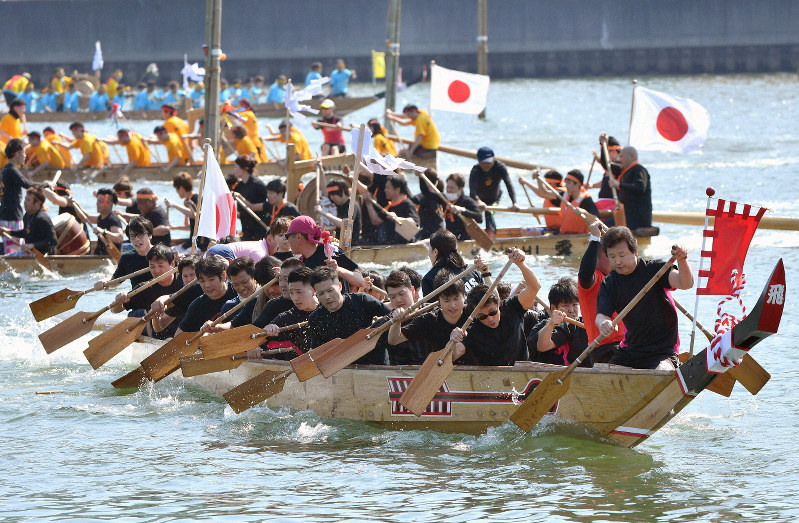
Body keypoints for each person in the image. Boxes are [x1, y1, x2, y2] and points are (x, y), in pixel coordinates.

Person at [596, 226, 693, 370]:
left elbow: (685, 283)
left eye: (622, 256)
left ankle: (677, 367)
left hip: (663, 350)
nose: (618, 262)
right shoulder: (609, 283)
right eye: (612, 257)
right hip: (631, 350)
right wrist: (603, 324)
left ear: (635, 252)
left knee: (661, 373)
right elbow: (601, 316)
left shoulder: (654, 269)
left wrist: (682, 260)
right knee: (603, 375)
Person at [450, 248, 541, 366]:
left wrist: (521, 264)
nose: (490, 319)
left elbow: (534, 286)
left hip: (522, 373)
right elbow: (453, 356)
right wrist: (452, 342)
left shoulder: (511, 307)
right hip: (492, 379)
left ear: (498, 303)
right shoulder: (472, 330)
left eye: (492, 312)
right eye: (482, 316)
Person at [308, 266, 390, 364]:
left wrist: (376, 327)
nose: (327, 297)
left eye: (330, 290)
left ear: (340, 286)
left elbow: (393, 314)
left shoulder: (362, 300)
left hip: (375, 365)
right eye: (321, 293)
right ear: (316, 294)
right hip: (344, 368)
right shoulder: (315, 318)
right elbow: (318, 351)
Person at [388, 270, 469, 363]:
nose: (453, 305)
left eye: (456, 299)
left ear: (464, 296)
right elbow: (394, 340)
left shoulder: (473, 313)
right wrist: (396, 321)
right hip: (439, 368)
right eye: (446, 301)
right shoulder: (429, 319)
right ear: (438, 301)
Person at [577, 220, 625, 364]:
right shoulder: (592, 280)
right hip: (605, 348)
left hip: (628, 344)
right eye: (611, 256)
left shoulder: (619, 277)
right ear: (597, 258)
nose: (616, 261)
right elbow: (585, 272)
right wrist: (595, 239)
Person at [251, 266, 320, 359]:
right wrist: (253, 347)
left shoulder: (327, 309)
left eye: (299, 292)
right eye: (291, 292)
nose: (295, 298)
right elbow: (252, 341)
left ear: (313, 290)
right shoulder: (287, 318)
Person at [287, 215, 365, 292]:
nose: (287, 240)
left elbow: (360, 282)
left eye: (287, 236)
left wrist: (338, 270)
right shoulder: (301, 262)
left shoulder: (329, 251)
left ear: (298, 237)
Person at [533, 277, 589, 366]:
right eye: (566, 305)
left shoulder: (584, 322)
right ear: (554, 308)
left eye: (575, 305)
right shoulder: (545, 326)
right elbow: (542, 346)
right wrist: (551, 324)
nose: (571, 310)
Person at [111, 244, 180, 317]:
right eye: (152, 266)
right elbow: (115, 310)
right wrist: (119, 301)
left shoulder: (183, 280)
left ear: (172, 264)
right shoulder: (143, 288)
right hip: (152, 323)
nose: (156, 271)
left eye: (160, 266)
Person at [178, 256, 237, 335]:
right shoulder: (197, 305)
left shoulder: (237, 292)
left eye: (211, 279)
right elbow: (178, 337)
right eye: (202, 281)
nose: (207, 285)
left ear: (223, 276)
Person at [94, 216, 154, 290]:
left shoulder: (162, 254)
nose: (137, 239)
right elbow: (115, 282)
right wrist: (104, 282)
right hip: (138, 299)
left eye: (140, 235)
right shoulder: (127, 258)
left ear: (150, 235)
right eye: (132, 236)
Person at [468, 146, 518, 237]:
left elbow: (509, 185)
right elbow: (472, 191)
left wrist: (514, 203)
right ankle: (469, 237)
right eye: (482, 163)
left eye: (488, 162)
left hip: (493, 199)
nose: (485, 165)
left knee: (489, 212)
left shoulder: (500, 167)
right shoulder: (475, 170)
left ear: (493, 159)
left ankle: (491, 237)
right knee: (471, 215)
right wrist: (478, 201)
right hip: (477, 199)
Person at [421, 229, 483, 296]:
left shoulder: (428, 280)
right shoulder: (474, 272)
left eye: (429, 248)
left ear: (435, 251)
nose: (428, 253)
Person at [364, 174, 419, 244]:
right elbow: (376, 221)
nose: (385, 190)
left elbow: (414, 223)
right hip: (391, 244)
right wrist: (368, 204)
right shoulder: (390, 206)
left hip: (404, 245)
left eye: (387, 188)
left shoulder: (407, 204)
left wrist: (396, 218)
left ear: (397, 190)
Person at [0, 187, 57, 255]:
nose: (24, 202)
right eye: (25, 199)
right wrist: (9, 232)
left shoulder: (43, 219)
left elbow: (53, 241)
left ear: (37, 203)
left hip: (43, 255)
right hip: (30, 255)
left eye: (28, 200)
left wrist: (33, 245)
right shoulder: (27, 216)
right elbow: (26, 233)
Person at [251, 257, 304, 329]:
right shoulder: (272, 305)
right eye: (280, 280)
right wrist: (268, 329)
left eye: (286, 279)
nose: (282, 284)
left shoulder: (316, 303)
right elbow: (252, 332)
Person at [609, 146, 652, 230]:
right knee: (603, 225)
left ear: (631, 156)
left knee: (606, 227)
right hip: (626, 215)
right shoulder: (625, 171)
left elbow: (640, 187)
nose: (618, 159)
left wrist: (619, 184)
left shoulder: (639, 170)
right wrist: (603, 145)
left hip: (637, 219)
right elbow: (608, 165)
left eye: (621, 156)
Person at [0, 139, 30, 254]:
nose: (25, 156)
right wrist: (46, 184)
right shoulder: (12, 170)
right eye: (24, 153)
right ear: (17, 154)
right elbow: (27, 184)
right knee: (14, 253)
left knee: (13, 250)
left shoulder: (4, 170)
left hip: (5, 215)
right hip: (12, 217)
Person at [550, 169, 600, 235]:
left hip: (579, 237)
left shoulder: (586, 200)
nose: (566, 185)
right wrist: (538, 179)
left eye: (568, 183)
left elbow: (596, 219)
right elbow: (543, 193)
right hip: (564, 234)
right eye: (566, 182)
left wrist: (584, 212)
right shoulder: (565, 195)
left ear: (577, 184)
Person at [231, 155, 267, 241]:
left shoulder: (257, 184)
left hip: (259, 228)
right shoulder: (239, 186)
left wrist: (239, 197)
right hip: (246, 229)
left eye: (236, 167)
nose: (234, 170)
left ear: (245, 168)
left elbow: (269, 204)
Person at [442, 172, 482, 241]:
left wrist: (462, 210)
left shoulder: (467, 201)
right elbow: (427, 192)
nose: (448, 190)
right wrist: (421, 177)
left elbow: (479, 218)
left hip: (465, 239)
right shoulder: (444, 199)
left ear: (461, 189)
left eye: (452, 188)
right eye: (447, 187)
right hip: (450, 239)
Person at [164, 171, 198, 252]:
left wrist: (174, 204)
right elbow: (192, 227)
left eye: (176, 189)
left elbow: (194, 215)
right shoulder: (189, 200)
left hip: (198, 243)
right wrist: (174, 227)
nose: (176, 192)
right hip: (191, 242)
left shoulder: (196, 199)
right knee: (169, 251)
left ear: (181, 188)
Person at [86, 188, 125, 256]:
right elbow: (86, 217)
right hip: (99, 255)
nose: (97, 204)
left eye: (100, 201)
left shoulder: (113, 220)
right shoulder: (101, 217)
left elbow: (120, 238)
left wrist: (103, 232)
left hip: (108, 258)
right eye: (97, 201)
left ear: (109, 204)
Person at [325, 179, 361, 245]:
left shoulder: (352, 205)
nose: (332, 198)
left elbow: (346, 225)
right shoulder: (340, 205)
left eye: (334, 195)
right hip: (340, 243)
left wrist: (325, 214)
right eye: (330, 195)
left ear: (343, 191)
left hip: (350, 245)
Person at [590, 133, 622, 205]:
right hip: (603, 203)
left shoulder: (621, 166)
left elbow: (606, 165)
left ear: (613, 152)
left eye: (605, 153)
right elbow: (606, 182)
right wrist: (592, 186)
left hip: (613, 204)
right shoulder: (610, 169)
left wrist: (603, 144)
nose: (604, 156)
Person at [414, 169, 445, 240]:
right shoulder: (438, 195)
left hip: (433, 234)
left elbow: (411, 198)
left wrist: (402, 185)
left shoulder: (427, 197)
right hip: (437, 230)